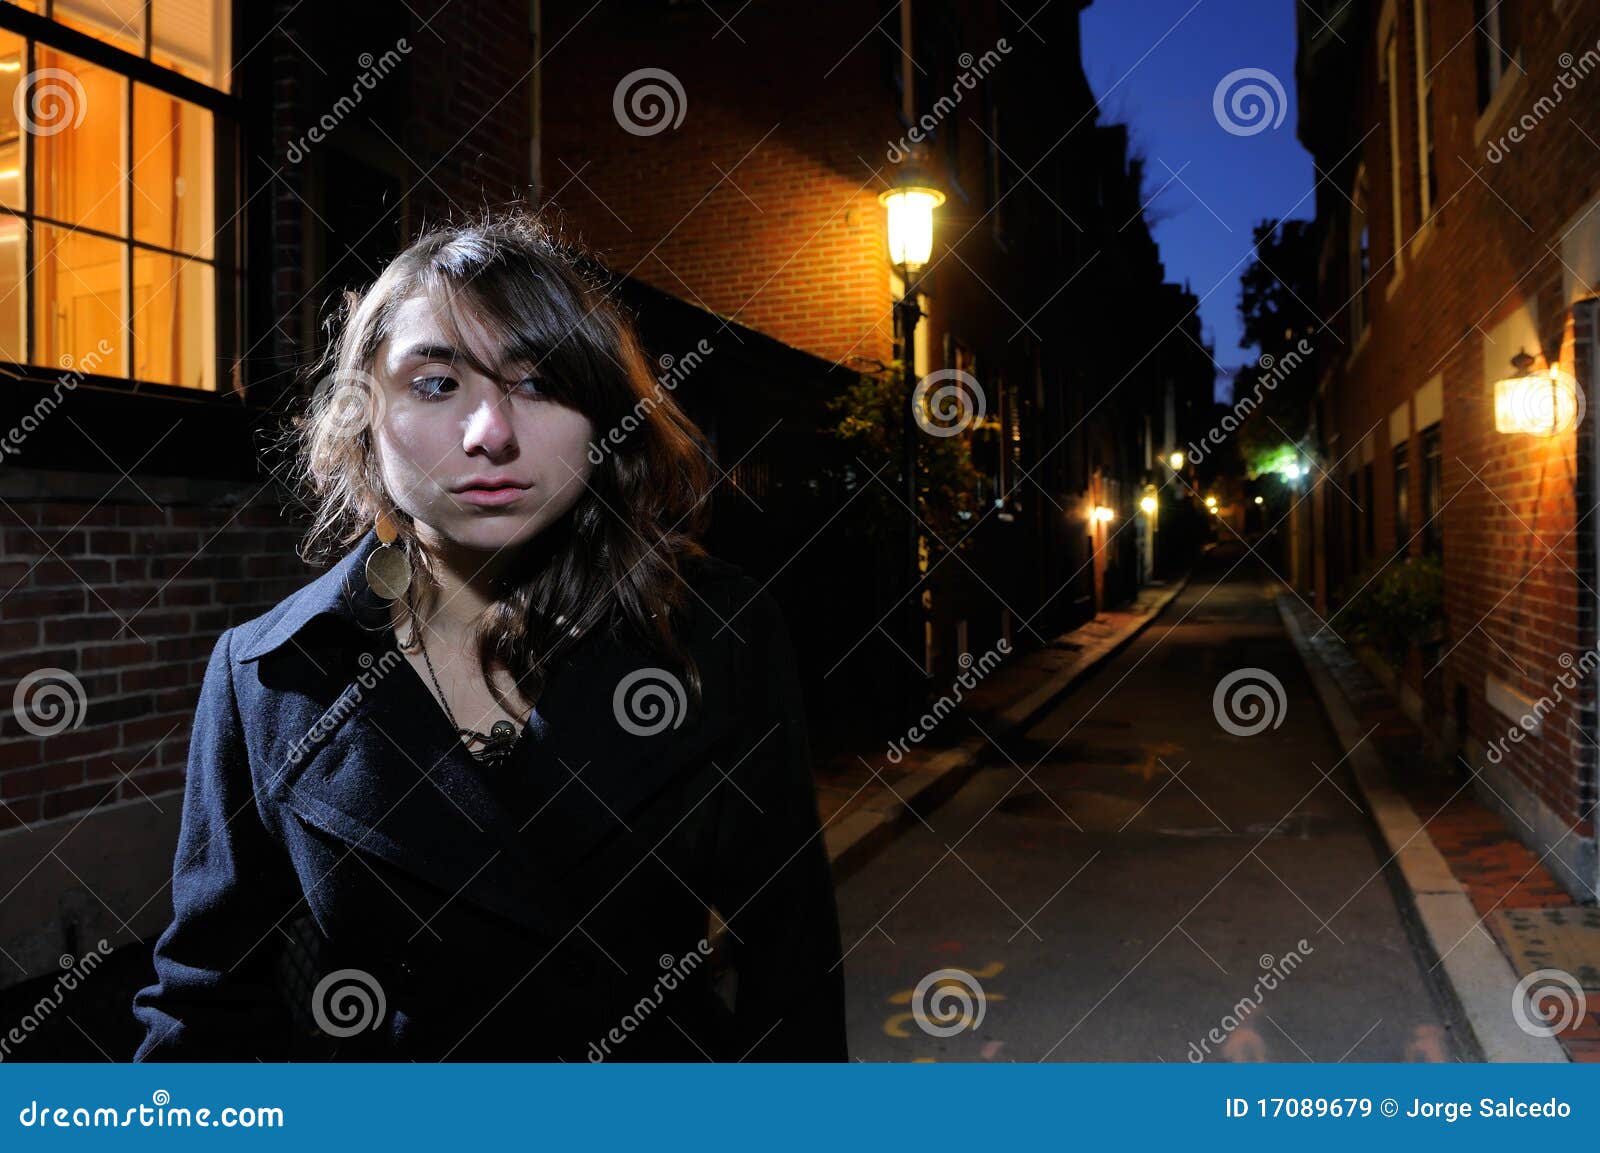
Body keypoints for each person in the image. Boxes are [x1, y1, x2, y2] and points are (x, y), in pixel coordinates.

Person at [130, 209, 848, 1061]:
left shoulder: (714, 633)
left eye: (539, 381)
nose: (490, 434)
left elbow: (790, 965)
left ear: (603, 417)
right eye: (436, 384)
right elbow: (204, 1003)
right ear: (364, 413)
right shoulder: (271, 674)